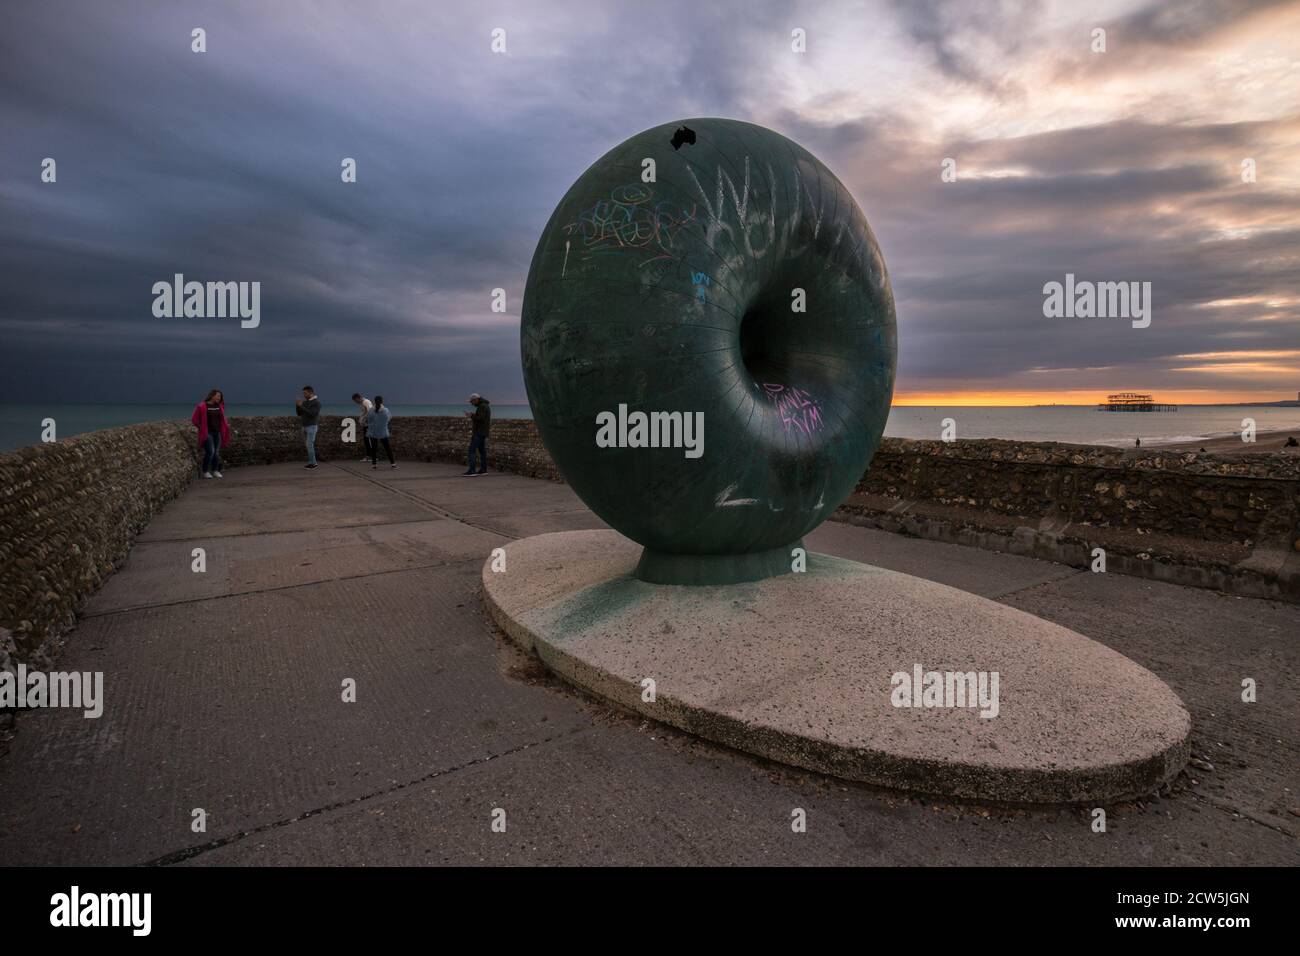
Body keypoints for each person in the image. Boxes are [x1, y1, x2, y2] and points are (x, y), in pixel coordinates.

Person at [191, 389, 231, 479]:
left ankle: (215, 471)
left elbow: (222, 418)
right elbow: (194, 420)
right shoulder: (202, 406)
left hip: (218, 432)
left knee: (216, 452)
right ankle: (205, 471)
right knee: (210, 452)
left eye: (220, 396)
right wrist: (202, 428)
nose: (219, 398)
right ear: (212, 396)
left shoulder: (220, 406)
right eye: (217, 396)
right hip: (207, 433)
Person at [463, 393, 490, 475]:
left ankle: (472, 471)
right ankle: (483, 470)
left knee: (472, 450)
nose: (471, 403)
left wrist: (471, 415)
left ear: (476, 400)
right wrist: (473, 415)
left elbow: (481, 418)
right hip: (483, 432)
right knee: (482, 451)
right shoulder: (484, 406)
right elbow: (481, 417)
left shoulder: (482, 406)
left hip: (479, 432)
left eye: (472, 402)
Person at [295, 385, 322, 469]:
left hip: (312, 426)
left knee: (309, 445)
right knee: (308, 445)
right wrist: (297, 405)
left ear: (311, 393)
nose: (304, 395)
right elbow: (299, 413)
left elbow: (312, 414)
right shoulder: (305, 402)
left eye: (305, 393)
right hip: (304, 426)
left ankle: (313, 463)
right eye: (303, 393)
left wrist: (301, 406)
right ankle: (311, 462)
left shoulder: (317, 403)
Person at [367, 395, 396, 469]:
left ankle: (374, 465)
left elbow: (368, 420)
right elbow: (389, 418)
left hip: (373, 431)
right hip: (383, 431)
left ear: (374, 401)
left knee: (374, 449)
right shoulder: (385, 410)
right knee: (387, 448)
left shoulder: (371, 410)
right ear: (382, 401)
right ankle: (393, 464)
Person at [352, 392, 374, 461]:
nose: (356, 402)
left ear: (358, 398)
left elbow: (370, 412)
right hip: (366, 425)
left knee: (369, 441)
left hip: (369, 425)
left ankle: (372, 456)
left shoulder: (366, 402)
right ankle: (368, 456)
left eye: (356, 401)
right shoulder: (363, 403)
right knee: (366, 440)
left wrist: (364, 420)